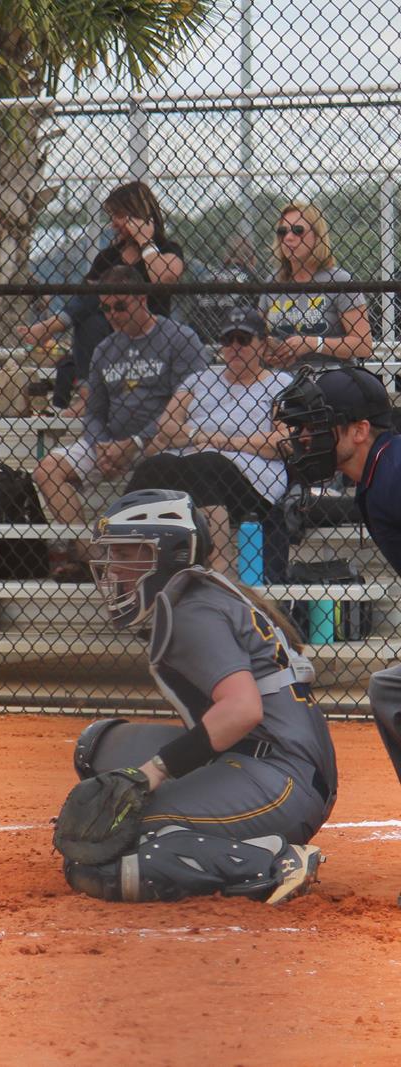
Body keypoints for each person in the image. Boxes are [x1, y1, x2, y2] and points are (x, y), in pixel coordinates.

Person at [58, 488, 333, 903]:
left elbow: (242, 710)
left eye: (127, 554)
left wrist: (154, 771)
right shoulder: (197, 593)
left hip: (281, 779)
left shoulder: (192, 613)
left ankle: (271, 860)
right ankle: (217, 824)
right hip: (272, 758)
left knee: (103, 860)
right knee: (95, 748)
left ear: (169, 554)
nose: (112, 568)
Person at [271, 365, 401, 820]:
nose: (304, 437)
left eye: (316, 426)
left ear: (359, 430)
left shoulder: (393, 474)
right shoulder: (381, 472)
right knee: (391, 690)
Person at [33, 266, 209, 581]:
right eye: (105, 308)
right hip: (111, 442)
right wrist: (103, 445)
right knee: (48, 469)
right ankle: (97, 562)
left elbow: (191, 405)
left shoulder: (180, 338)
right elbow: (94, 412)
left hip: (160, 442)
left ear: (142, 298)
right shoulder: (105, 349)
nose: (112, 315)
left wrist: (135, 442)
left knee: (161, 460)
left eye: (120, 306)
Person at [126, 308, 292, 577]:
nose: (234, 347)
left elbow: (280, 442)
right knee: (153, 466)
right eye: (227, 340)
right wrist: (200, 437)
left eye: (243, 339)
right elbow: (166, 426)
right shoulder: (200, 379)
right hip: (191, 463)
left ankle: (219, 565)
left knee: (205, 463)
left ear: (262, 344)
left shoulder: (279, 383)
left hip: (251, 481)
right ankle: (127, 558)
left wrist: (224, 442)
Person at [16, 180, 186, 413]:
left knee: (100, 291)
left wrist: (146, 241)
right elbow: (84, 299)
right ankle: (89, 394)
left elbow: (164, 277)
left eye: (119, 215)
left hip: (150, 334)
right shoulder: (108, 256)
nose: (113, 223)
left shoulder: (167, 249)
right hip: (111, 335)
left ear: (139, 215)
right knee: (92, 308)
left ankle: (52, 325)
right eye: (112, 216)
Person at [258, 202, 373, 368]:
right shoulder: (273, 281)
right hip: (282, 376)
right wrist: (266, 351)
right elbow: (257, 335)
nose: (288, 237)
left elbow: (363, 346)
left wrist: (314, 344)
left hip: (330, 373)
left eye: (298, 230)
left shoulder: (339, 280)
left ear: (317, 236)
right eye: (282, 231)